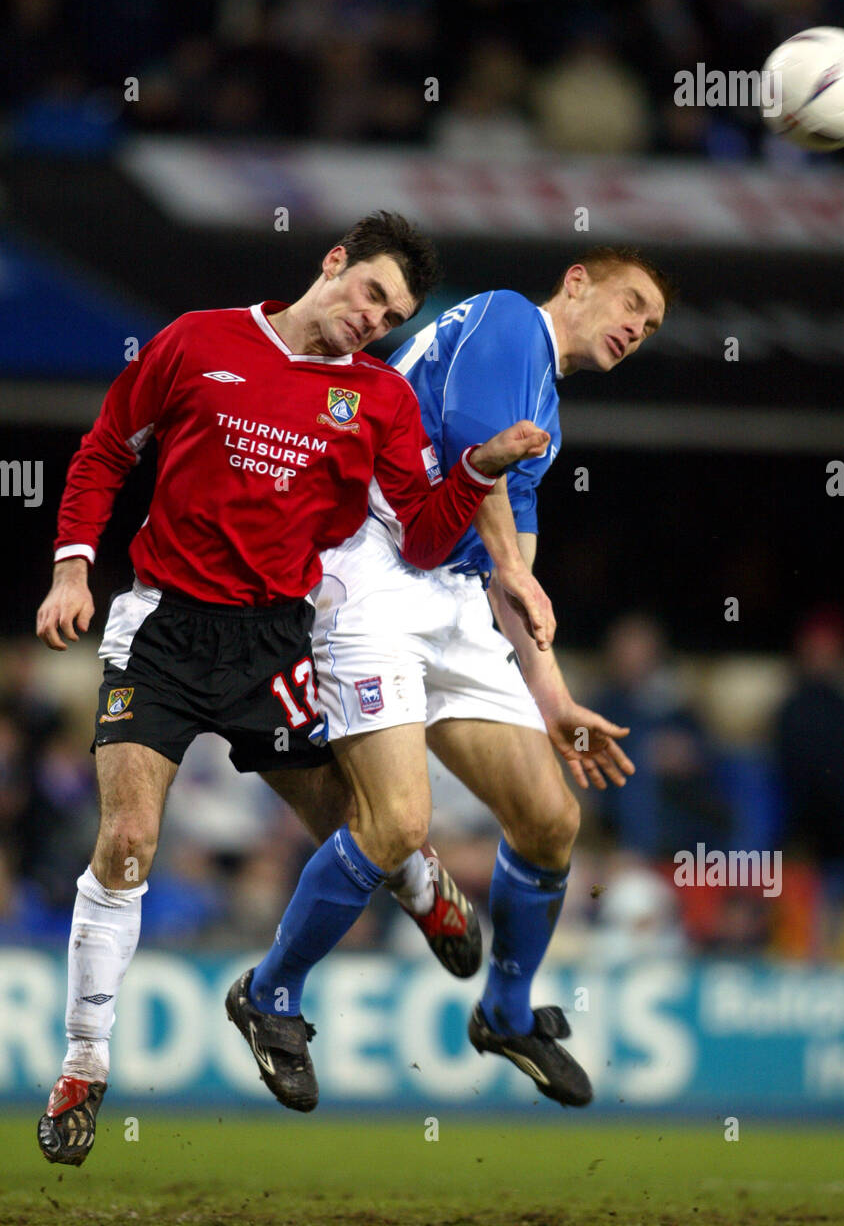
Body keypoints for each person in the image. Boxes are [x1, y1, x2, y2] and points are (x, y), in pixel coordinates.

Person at [34, 210, 551, 1164]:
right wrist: (73, 567)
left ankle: (417, 879)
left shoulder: (380, 402)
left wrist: (480, 467)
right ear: (334, 263)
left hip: (279, 639)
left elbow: (428, 536)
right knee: (130, 839)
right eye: (370, 294)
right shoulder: (201, 340)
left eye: (394, 315)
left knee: (359, 826)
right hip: (164, 632)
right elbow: (109, 448)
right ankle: (82, 1065)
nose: (374, 321)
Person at [233, 246, 671, 1111]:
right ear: (577, 280)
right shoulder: (512, 317)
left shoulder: (544, 402)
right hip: (374, 564)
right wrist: (510, 564)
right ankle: (271, 992)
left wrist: (554, 701)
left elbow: (519, 587)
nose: (637, 329)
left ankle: (506, 1013)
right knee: (395, 822)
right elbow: (478, 456)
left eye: (652, 327)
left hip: (453, 595)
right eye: (632, 303)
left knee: (551, 820)